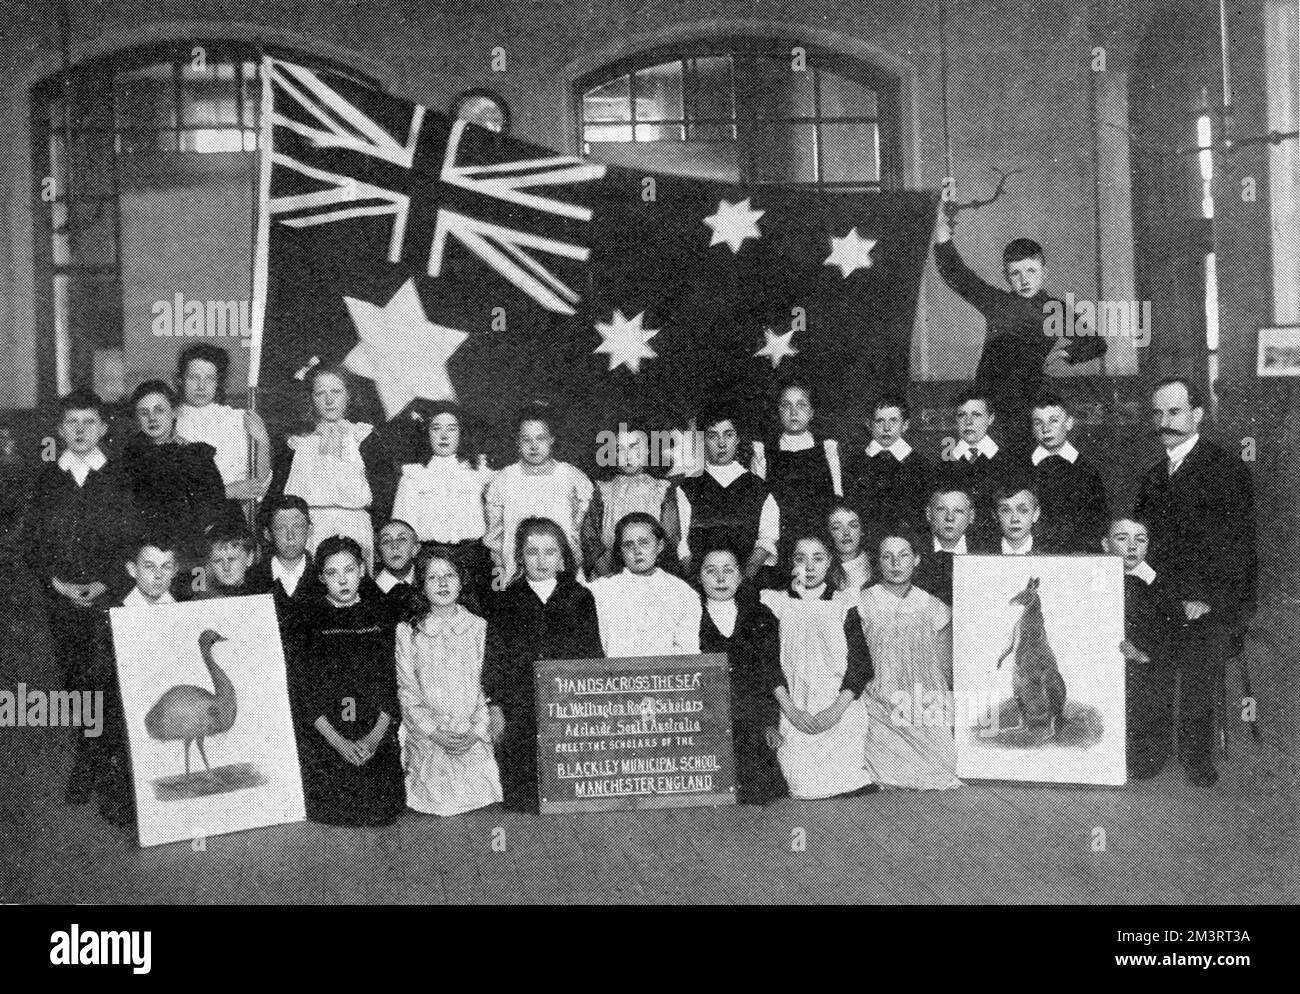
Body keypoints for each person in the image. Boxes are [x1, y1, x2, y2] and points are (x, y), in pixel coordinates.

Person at [1133, 377, 1257, 787]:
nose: (1164, 421)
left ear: (1198, 415)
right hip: (1163, 595)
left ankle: (1196, 754)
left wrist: (1206, 599)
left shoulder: (1225, 468)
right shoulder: (1153, 477)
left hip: (1215, 599)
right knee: (1140, 642)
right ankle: (1151, 750)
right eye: (1159, 413)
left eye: (1175, 412)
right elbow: (1142, 543)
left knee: (1199, 646)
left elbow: (1236, 548)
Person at [22, 389, 137, 807]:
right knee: (75, 680)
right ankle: (88, 758)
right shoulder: (50, 479)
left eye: (89, 422)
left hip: (109, 597)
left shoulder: (119, 476)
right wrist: (59, 584)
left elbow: (133, 540)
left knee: (111, 676)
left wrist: (107, 583)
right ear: (59, 430)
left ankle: (111, 764)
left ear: (104, 427)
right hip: (64, 600)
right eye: (72, 423)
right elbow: (32, 544)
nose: (81, 430)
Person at [933, 211, 1106, 451]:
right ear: (1006, 276)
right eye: (1016, 273)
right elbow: (959, 277)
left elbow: (1097, 343)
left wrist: (1065, 354)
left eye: (1031, 271)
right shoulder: (997, 302)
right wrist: (942, 237)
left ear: (1044, 272)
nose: (1024, 280)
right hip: (989, 403)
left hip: (1029, 404)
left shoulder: (1053, 310)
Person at [484, 518, 603, 813]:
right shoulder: (506, 600)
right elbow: (495, 658)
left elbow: (592, 653)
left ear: (562, 557)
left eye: (549, 552)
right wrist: (495, 706)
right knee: (525, 801)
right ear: (520, 557)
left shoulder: (579, 597)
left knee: (569, 794)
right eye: (532, 552)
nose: (541, 560)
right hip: (520, 703)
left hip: (568, 701)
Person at [291, 536, 404, 826]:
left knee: (382, 810)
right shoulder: (308, 620)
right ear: (321, 578)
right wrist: (339, 742)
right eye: (332, 573)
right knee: (334, 811)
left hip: (375, 732)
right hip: (327, 736)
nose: (343, 580)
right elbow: (304, 691)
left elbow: (393, 681)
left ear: (363, 569)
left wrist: (375, 736)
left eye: (349, 570)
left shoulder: (381, 614)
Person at [759, 532, 876, 800]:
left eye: (818, 558)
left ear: (829, 562)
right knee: (801, 784)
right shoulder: (776, 603)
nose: (809, 567)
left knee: (848, 778)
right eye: (801, 559)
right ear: (790, 563)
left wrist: (835, 711)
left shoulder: (844, 602)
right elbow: (768, 664)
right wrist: (792, 712)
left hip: (839, 707)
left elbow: (861, 664)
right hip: (795, 706)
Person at [396, 547, 502, 816]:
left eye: (449, 575)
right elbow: (407, 691)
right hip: (430, 738)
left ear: (461, 580)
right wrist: (434, 731)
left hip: (471, 736)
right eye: (433, 578)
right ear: (421, 586)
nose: (443, 583)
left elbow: (486, 687)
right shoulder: (408, 631)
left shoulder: (479, 627)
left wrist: (476, 731)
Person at [857, 527, 961, 790]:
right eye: (887, 557)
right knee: (880, 770)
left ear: (916, 559)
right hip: (878, 699)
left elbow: (945, 664)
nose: (895, 564)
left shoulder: (932, 605)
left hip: (923, 700)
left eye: (903, 556)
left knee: (944, 767)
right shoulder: (862, 602)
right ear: (877, 562)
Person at [91, 532, 182, 827]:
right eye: (149, 566)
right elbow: (100, 674)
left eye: (166, 567)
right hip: (127, 706)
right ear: (132, 570)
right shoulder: (112, 611)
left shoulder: (186, 606)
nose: (158, 576)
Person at [696, 542, 788, 805]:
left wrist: (770, 722)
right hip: (707, 721)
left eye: (728, 570)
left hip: (751, 720)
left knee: (758, 793)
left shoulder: (760, 615)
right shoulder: (689, 615)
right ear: (700, 576)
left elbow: (771, 671)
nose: (721, 578)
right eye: (711, 571)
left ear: (739, 574)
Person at [272, 365, 384, 572]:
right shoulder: (297, 443)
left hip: (354, 527)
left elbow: (383, 496)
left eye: (336, 392)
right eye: (321, 393)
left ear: (348, 395)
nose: (329, 400)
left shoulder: (364, 437)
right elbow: (276, 496)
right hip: (309, 531)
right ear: (311, 398)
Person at [390, 401, 492, 604]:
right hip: (431, 559)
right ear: (427, 434)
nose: (444, 436)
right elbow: (402, 529)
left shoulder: (480, 472)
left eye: (451, 429)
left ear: (461, 433)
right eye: (436, 429)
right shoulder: (414, 475)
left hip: (473, 559)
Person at [1104, 518, 1181, 780]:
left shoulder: (1157, 583)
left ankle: (1144, 750)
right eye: (1122, 538)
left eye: (1140, 539)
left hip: (1147, 664)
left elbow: (1171, 633)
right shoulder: (1098, 579)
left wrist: (1142, 654)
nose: (1132, 546)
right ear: (1105, 544)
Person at [121, 380, 226, 570]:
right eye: (144, 413)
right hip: (146, 560)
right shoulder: (126, 461)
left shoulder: (197, 456)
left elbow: (213, 511)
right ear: (136, 419)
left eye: (159, 410)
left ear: (174, 412)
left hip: (190, 560)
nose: (152, 418)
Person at [484, 406, 593, 584]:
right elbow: (495, 538)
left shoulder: (570, 477)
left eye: (541, 438)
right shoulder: (504, 479)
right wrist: (502, 575)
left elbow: (577, 530)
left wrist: (574, 563)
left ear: (551, 439)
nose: (534, 446)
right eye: (526, 440)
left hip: (562, 568)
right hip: (516, 572)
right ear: (517, 443)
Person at [675, 404, 779, 579]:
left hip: (745, 581)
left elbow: (767, 540)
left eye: (728, 435)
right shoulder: (687, 488)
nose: (721, 443)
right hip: (700, 582)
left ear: (738, 438)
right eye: (713, 436)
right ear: (702, 440)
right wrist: (699, 580)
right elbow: (682, 544)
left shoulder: (759, 488)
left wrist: (743, 577)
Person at [751, 382, 842, 566]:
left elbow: (838, 497)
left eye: (801, 405)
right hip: (782, 544)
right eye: (786, 406)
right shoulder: (763, 451)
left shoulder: (827, 448)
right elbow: (758, 505)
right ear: (778, 412)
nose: (793, 412)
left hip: (820, 544)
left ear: (811, 413)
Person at [587, 513, 701, 657]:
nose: (637, 551)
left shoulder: (683, 594)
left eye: (644, 542)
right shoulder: (599, 590)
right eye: (628, 545)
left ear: (659, 546)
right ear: (621, 552)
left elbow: (688, 653)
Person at [172, 343, 270, 504]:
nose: (201, 386)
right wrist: (228, 491)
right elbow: (170, 493)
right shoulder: (169, 422)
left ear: (218, 382)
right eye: (193, 377)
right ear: (180, 379)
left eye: (210, 378)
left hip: (232, 518)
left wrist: (262, 442)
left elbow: (259, 486)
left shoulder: (237, 419)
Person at [583, 426, 681, 578]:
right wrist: (605, 571)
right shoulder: (603, 491)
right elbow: (590, 536)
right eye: (620, 450)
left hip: (650, 573)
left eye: (634, 448)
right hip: (608, 573)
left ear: (648, 450)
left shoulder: (661, 490)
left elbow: (669, 537)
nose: (627, 456)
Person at [938, 387, 1017, 549]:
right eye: (962, 415)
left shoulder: (1009, 462)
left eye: (976, 415)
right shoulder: (945, 463)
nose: (968, 422)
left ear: (991, 418)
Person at [1030, 394, 1109, 552]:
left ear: (1069, 423)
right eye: (1038, 423)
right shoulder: (1023, 466)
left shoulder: (1088, 469)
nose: (1046, 429)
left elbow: (1097, 522)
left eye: (1054, 421)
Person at [842, 393, 932, 532]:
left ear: (905, 425)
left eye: (894, 420)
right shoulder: (854, 465)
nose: (886, 427)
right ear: (869, 424)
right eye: (879, 421)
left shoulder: (921, 465)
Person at [246, 495, 324, 648]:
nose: (290, 536)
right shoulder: (251, 579)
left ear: (310, 530)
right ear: (268, 534)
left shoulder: (325, 577)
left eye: (298, 526)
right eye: (281, 528)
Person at [912, 486, 979, 605]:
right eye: (941, 509)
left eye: (958, 511)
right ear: (928, 514)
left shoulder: (987, 551)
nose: (950, 518)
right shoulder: (913, 553)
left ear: (971, 516)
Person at [372, 519, 423, 617]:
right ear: (377, 554)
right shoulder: (369, 593)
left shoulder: (425, 585)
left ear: (415, 549)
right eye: (386, 541)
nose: (394, 546)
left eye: (402, 539)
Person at [194, 521, 257, 599]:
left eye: (232, 559)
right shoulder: (201, 602)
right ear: (209, 563)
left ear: (249, 558)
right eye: (217, 561)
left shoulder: (266, 595)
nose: (226, 568)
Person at [827, 503, 872, 593]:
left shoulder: (878, 567)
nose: (846, 532)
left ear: (862, 531)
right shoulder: (823, 571)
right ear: (829, 533)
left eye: (853, 525)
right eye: (837, 528)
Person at [994, 481, 1042, 555]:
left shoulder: (1053, 556)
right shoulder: (979, 555)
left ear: (1036, 513)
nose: (1015, 519)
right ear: (995, 515)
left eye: (1023, 510)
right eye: (1006, 510)